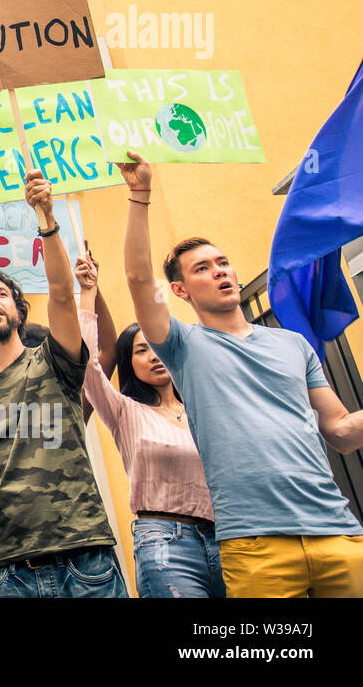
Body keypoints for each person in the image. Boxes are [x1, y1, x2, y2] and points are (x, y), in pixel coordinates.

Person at [120, 150, 363, 596]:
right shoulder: (183, 345)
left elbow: (343, 431)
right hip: (254, 545)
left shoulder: (293, 345)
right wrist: (140, 196)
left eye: (223, 263)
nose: (220, 272)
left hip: (339, 533)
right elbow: (138, 279)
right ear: (180, 290)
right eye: (203, 269)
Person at [0, 169, 126, 598]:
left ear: (19, 312)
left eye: (1, 293)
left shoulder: (56, 362)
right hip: (7, 574)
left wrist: (46, 216)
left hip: (85, 560)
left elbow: (62, 295)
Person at [75, 251, 223, 598]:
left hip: (231, 537)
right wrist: (88, 291)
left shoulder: (203, 406)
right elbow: (86, 365)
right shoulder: (124, 411)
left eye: (157, 346)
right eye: (141, 351)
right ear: (129, 362)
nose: (154, 355)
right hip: (166, 543)